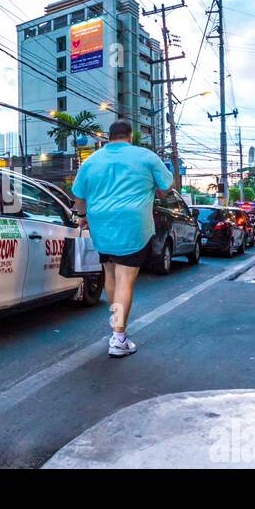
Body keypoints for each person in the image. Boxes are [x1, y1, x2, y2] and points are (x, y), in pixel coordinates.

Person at [71, 119, 173, 358]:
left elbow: (79, 196)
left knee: (110, 275)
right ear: (131, 136)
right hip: (132, 225)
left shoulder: (91, 160)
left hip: (101, 225)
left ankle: (116, 327)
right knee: (125, 279)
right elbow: (167, 186)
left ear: (109, 137)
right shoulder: (145, 156)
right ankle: (118, 338)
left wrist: (83, 216)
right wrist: (154, 189)